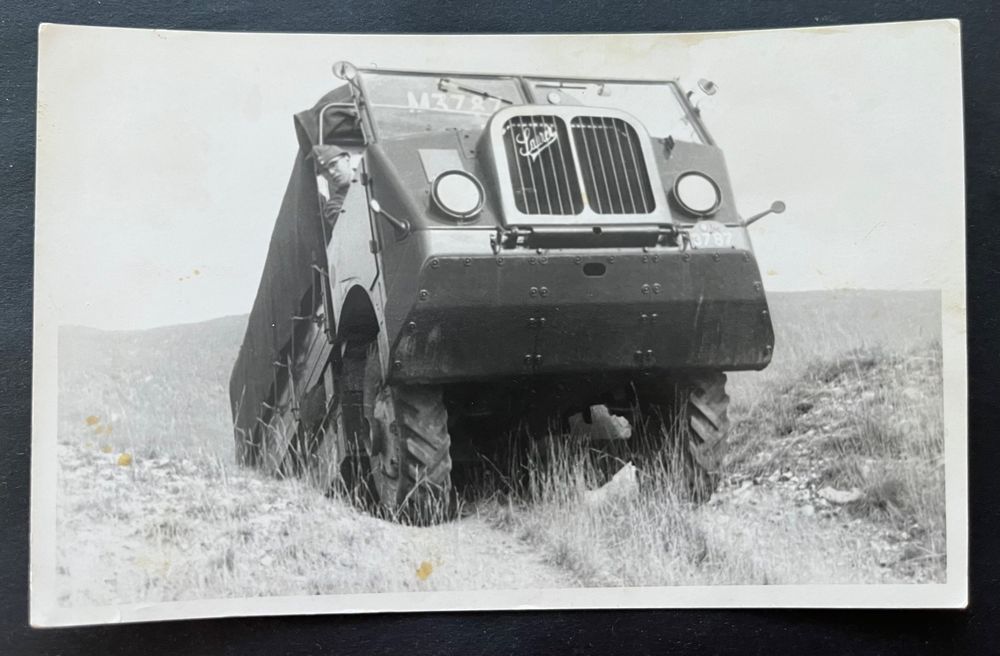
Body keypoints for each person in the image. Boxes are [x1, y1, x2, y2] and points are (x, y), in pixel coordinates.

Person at [312, 144, 353, 238]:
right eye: (325, 171)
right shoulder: (333, 205)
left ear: (346, 158)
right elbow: (349, 228)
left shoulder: (376, 178)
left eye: (333, 164)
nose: (331, 172)